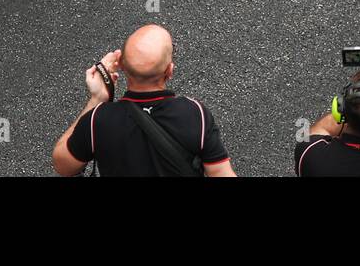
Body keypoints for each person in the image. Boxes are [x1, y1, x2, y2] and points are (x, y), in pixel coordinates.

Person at [52, 24, 236, 177]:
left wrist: (97, 99)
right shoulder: (195, 114)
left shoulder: (97, 121)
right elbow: (221, 173)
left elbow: (63, 165)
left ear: (121, 64)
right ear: (169, 71)